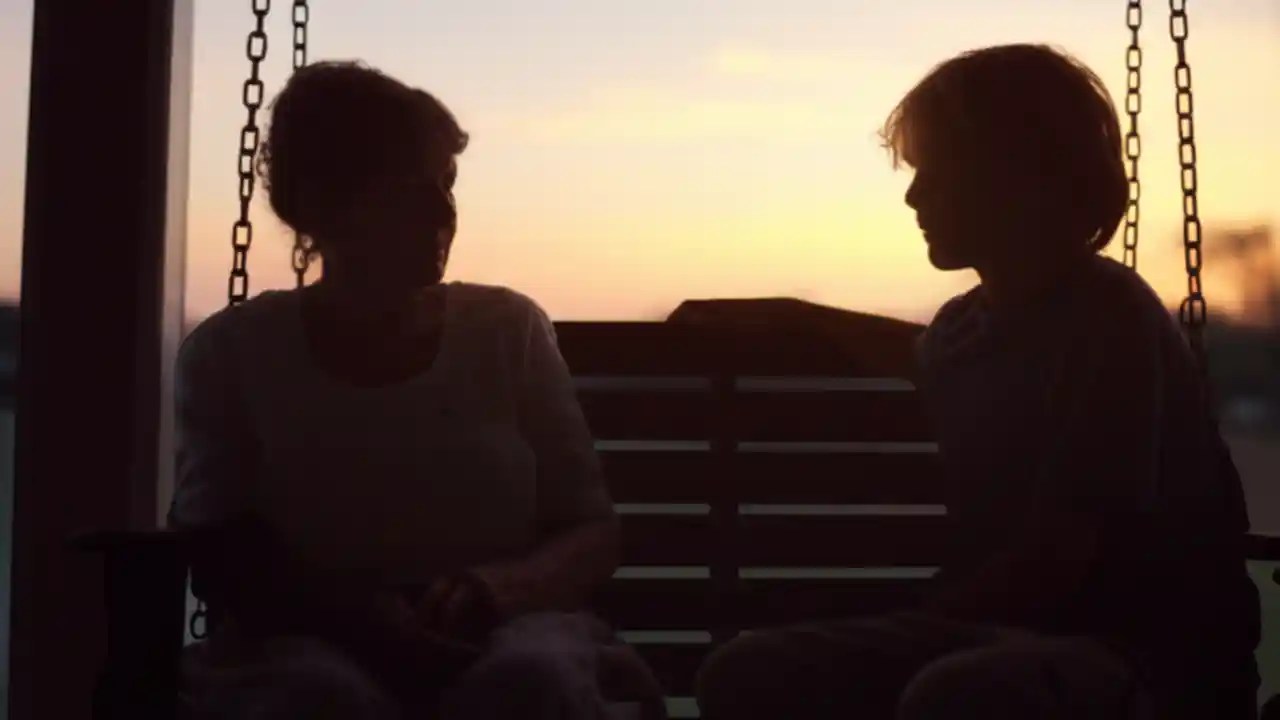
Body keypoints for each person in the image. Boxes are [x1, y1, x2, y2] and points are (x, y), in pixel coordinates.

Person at [695, 44, 1259, 720]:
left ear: (1011, 173)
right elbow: (908, 349)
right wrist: (787, 317)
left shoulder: (1111, 319)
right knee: (744, 674)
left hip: (1147, 665)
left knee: (962, 695)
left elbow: (1064, 555)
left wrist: (917, 621)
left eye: (934, 172)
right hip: (1005, 637)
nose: (912, 195)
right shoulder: (970, 328)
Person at [169, 61, 663, 720]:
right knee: (316, 700)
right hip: (308, 642)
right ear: (321, 205)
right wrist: (363, 625)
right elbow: (217, 546)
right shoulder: (234, 355)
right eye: (410, 187)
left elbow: (591, 530)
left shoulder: (506, 332)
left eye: (448, 183)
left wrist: (495, 591)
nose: (443, 209)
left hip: (506, 631)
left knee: (524, 683)